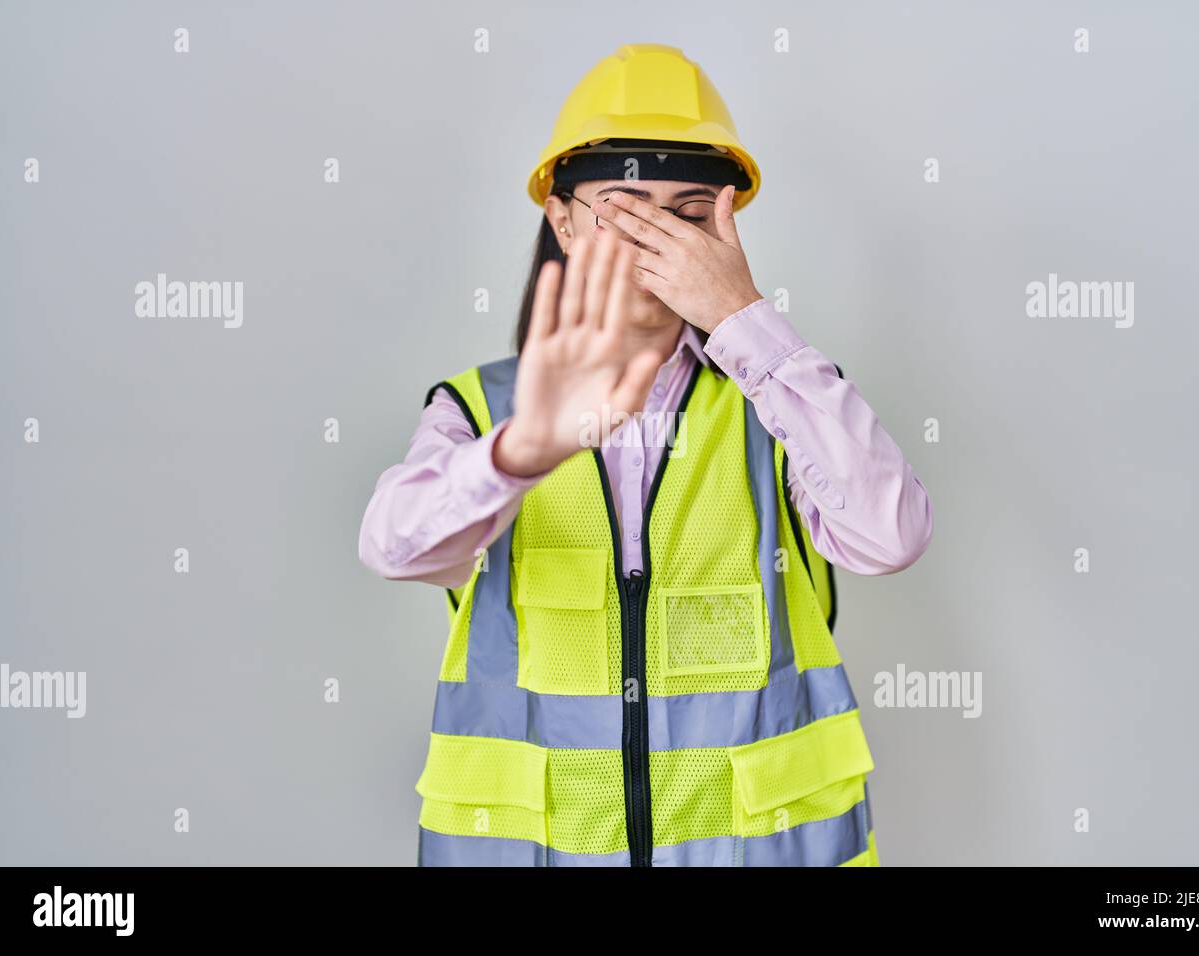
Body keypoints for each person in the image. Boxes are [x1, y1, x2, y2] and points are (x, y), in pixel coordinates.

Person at [358, 44, 933, 867]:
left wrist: (744, 320)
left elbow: (892, 536)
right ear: (560, 219)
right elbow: (394, 547)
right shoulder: (480, 410)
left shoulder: (782, 403)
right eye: (624, 210)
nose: (659, 239)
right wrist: (520, 452)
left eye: (691, 216)